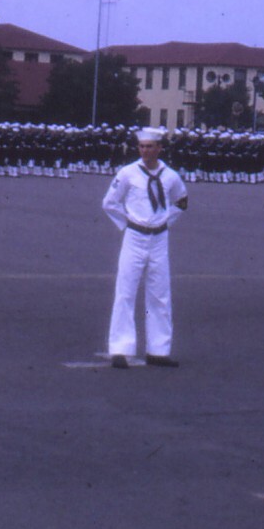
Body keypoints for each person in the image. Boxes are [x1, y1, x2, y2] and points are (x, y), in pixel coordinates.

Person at [101, 127, 189, 367]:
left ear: (159, 148)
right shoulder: (128, 173)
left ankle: (158, 350)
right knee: (125, 292)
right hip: (135, 237)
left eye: (150, 147)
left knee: (160, 294)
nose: (145, 151)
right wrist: (127, 223)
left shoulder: (170, 176)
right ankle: (120, 349)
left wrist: (165, 222)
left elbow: (181, 201)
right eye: (142, 147)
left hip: (159, 239)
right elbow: (110, 203)